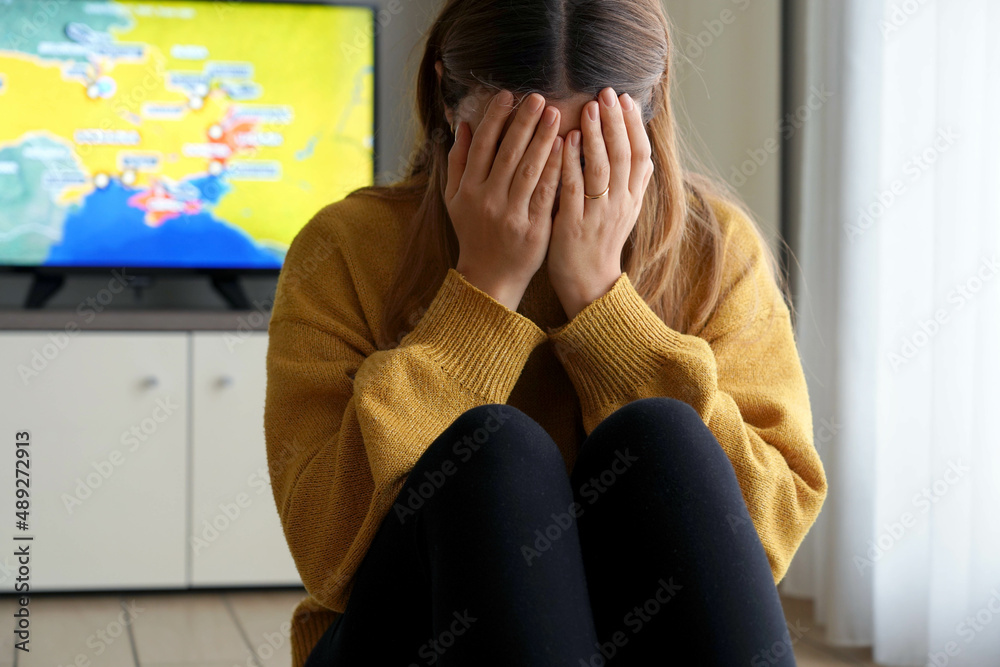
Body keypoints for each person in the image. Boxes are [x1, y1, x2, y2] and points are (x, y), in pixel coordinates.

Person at [264, 0, 827, 665]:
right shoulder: (343, 248)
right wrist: (483, 290)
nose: (552, 183)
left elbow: (763, 542)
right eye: (517, 148)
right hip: (407, 637)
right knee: (495, 451)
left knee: (666, 432)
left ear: (645, 117)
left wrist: (602, 302)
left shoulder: (715, 251)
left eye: (590, 149)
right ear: (449, 102)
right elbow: (324, 552)